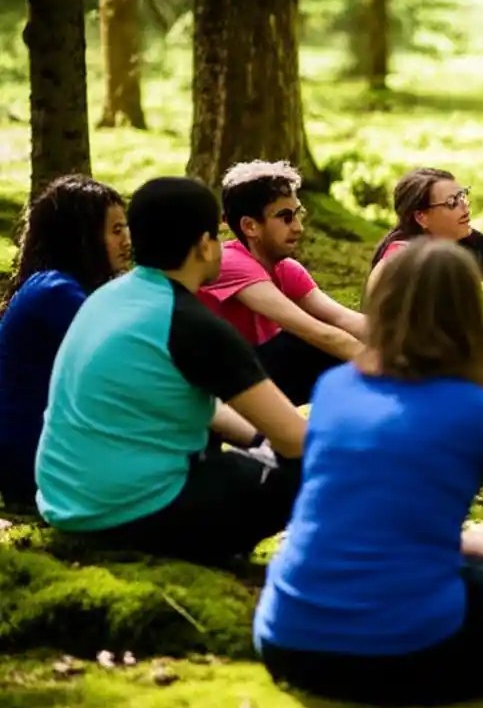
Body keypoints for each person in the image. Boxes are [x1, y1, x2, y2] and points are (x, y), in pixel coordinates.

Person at [255, 240, 483, 707]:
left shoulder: (335, 388)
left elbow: (350, 516)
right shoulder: (481, 410)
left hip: (285, 642)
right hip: (410, 656)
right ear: (467, 316)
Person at [34, 177, 308, 565]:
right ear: (203, 245)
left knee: (242, 459)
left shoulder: (109, 297)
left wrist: (257, 439)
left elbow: (205, 407)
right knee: (310, 469)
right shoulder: (191, 323)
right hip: (130, 513)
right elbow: (297, 442)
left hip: (66, 502)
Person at [367, 168, 483, 411]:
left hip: (465, 351)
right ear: (421, 217)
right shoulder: (400, 261)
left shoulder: (471, 242)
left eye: (463, 196)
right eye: (451, 203)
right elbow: (412, 338)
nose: (464, 207)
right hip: (417, 367)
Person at [0, 176, 130, 508]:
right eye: (115, 230)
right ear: (82, 237)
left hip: (43, 453)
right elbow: (125, 366)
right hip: (34, 461)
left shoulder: (54, 285)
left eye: (125, 227)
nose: (126, 240)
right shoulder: (56, 293)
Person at [197, 160, 366, 405]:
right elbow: (315, 332)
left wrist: (413, 345)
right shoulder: (231, 262)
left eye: (298, 214)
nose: (298, 227)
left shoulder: (285, 269)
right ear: (250, 226)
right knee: (307, 346)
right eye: (285, 218)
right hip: (209, 384)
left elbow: (342, 318)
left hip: (251, 373)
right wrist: (388, 365)